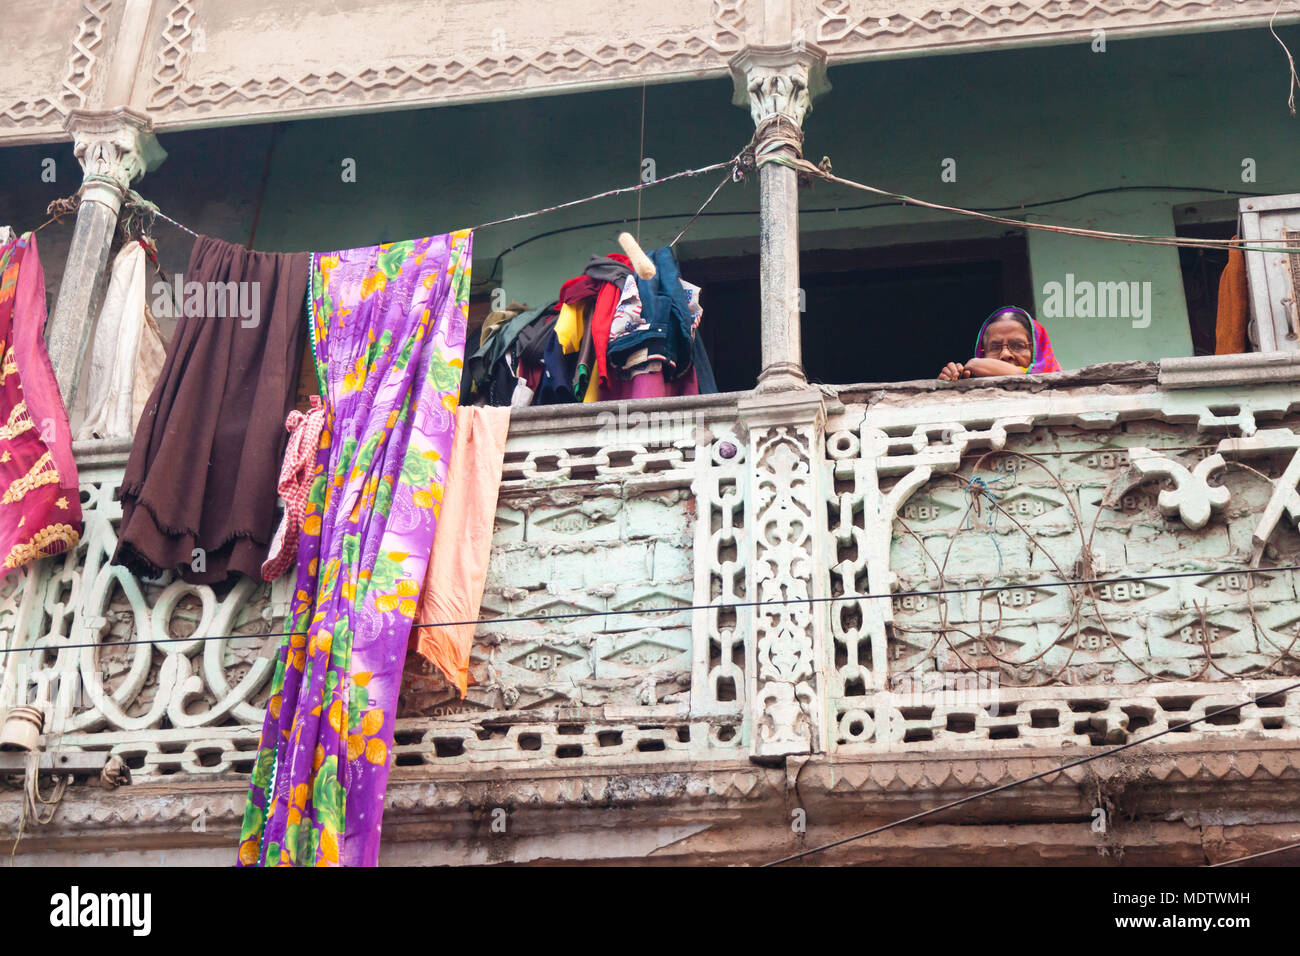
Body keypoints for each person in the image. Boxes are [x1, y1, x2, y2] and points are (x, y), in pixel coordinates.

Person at [938, 306, 1061, 381]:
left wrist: (974, 364)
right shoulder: (974, 378)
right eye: (995, 347)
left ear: (1035, 351)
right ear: (983, 353)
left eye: (1018, 346)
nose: (1005, 354)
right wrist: (951, 380)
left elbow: (974, 364)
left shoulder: (1059, 388)